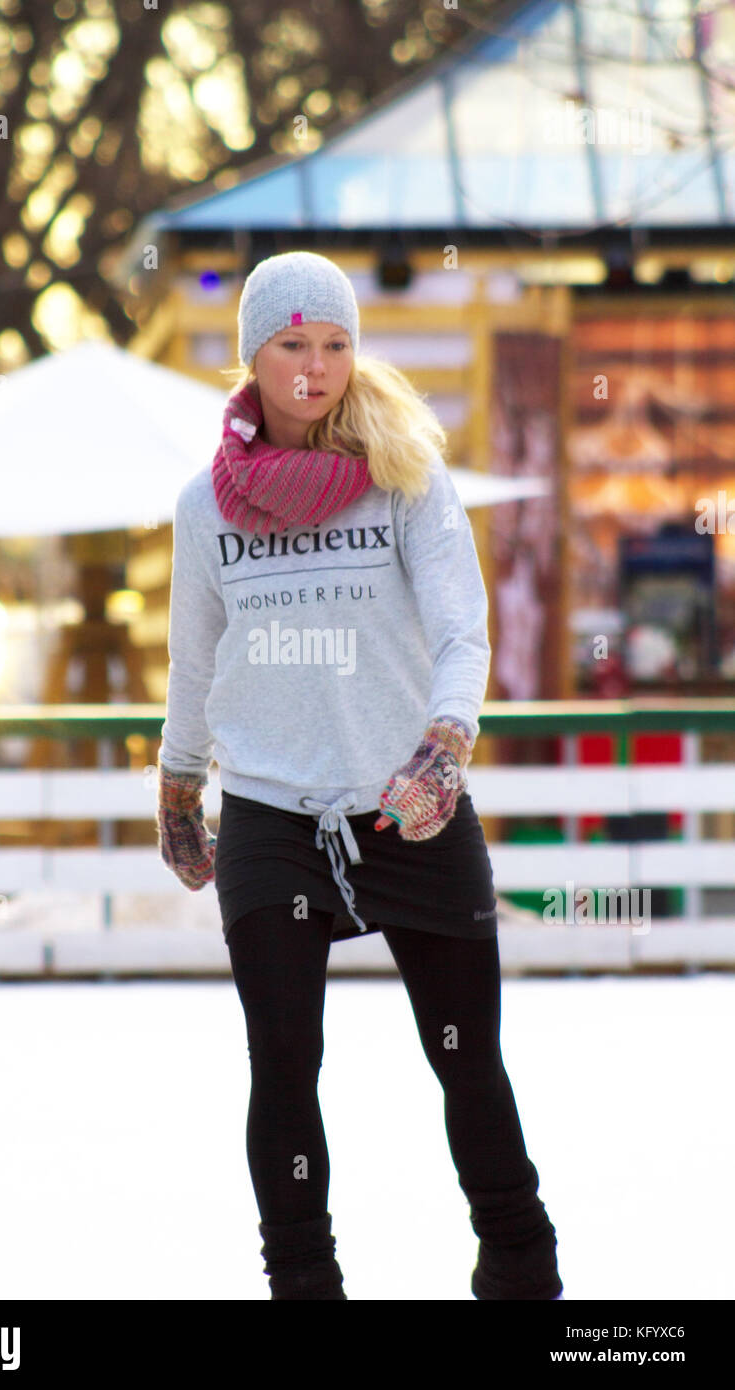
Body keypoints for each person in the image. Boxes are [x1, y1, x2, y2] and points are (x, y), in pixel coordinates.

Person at [156, 251, 563, 1301]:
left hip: (407, 806)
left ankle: (519, 1262)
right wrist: (177, 780)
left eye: (334, 344)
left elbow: (461, 633)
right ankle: (303, 1280)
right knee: (284, 1063)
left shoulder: (406, 477)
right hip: (269, 815)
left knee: (464, 1055)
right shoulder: (203, 507)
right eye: (292, 343)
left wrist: (445, 744)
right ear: (254, 352)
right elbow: (195, 657)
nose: (314, 365)